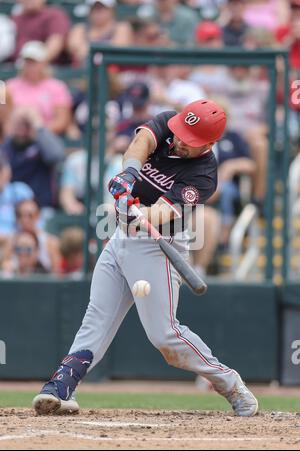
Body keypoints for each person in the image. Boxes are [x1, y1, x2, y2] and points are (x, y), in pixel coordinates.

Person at [32, 99, 258, 417]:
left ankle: (230, 384)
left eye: (190, 141)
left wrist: (137, 212)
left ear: (209, 143)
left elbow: (164, 213)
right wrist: (129, 174)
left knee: (164, 335)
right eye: (181, 133)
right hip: (122, 237)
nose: (180, 140)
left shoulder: (203, 175)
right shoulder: (169, 123)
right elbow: (142, 142)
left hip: (158, 244)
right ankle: (62, 386)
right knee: (96, 317)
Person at [1, 107, 66, 209]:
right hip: (10, 208)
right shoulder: (6, 147)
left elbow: (57, 156)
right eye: (18, 124)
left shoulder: (42, 144)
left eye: (26, 125)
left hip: (41, 209)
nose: (22, 130)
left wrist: (38, 127)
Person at [7, 41, 72, 135]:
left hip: (43, 137)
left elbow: (62, 121)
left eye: (34, 62)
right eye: (27, 62)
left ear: (44, 63)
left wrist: (37, 130)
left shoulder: (57, 87)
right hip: (14, 137)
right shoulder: (10, 85)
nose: (30, 66)